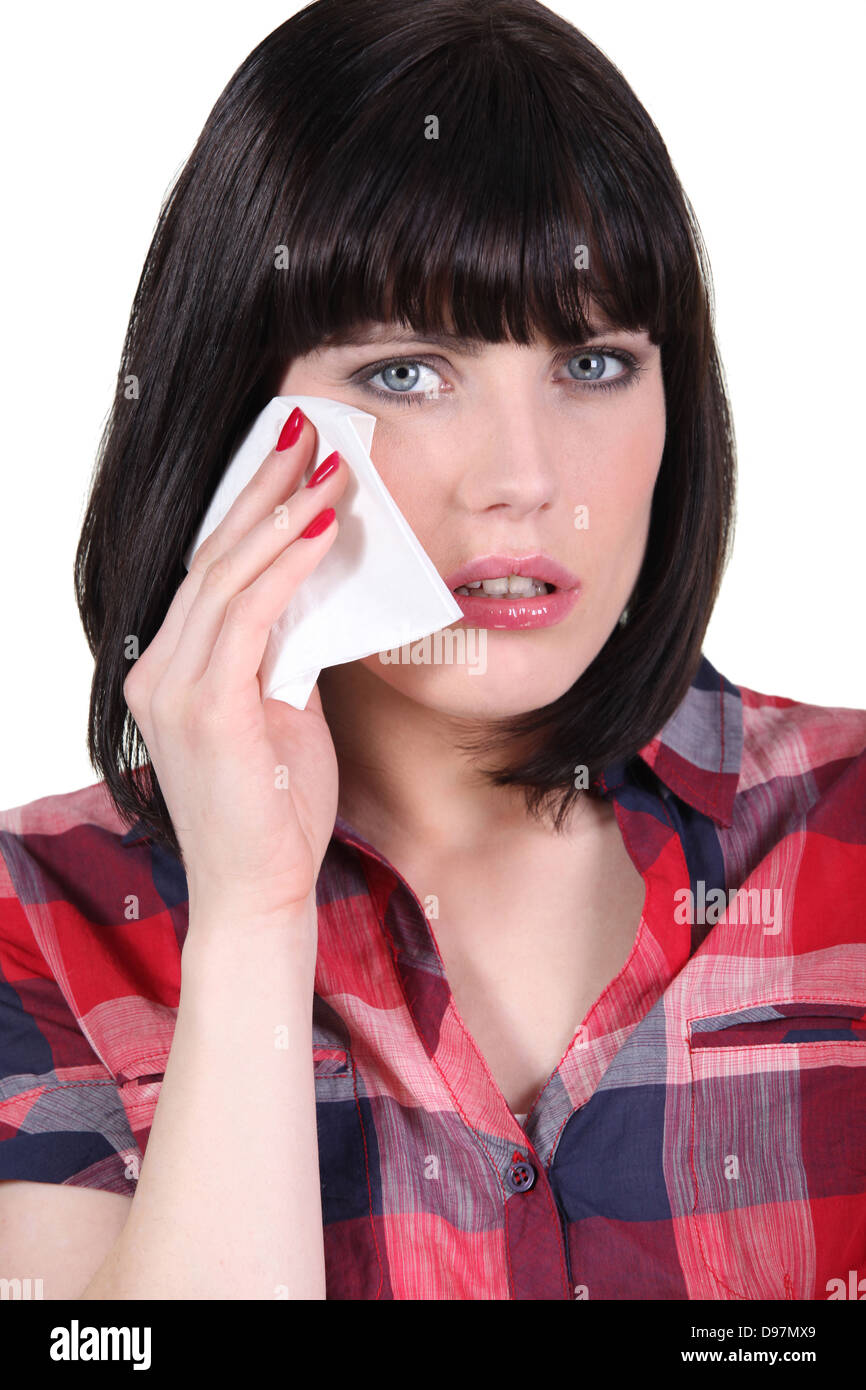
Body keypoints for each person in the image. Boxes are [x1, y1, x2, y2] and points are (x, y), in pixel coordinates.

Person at [1, 0, 864, 1302]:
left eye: (591, 360)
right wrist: (251, 914)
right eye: (408, 370)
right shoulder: (42, 920)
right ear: (233, 417)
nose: (525, 481)